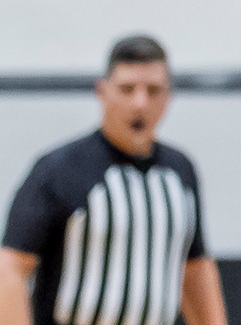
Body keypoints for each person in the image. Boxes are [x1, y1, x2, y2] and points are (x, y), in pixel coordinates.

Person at [1, 36, 226, 325]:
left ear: (169, 96)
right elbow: (11, 269)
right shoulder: (61, 169)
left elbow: (195, 269)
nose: (140, 103)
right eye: (127, 89)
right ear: (102, 91)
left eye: (153, 90)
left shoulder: (180, 171)